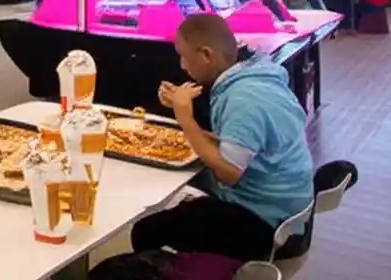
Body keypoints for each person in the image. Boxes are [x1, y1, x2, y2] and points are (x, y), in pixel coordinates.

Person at [131, 13, 313, 262]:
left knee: (145, 231)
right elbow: (237, 145)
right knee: (183, 204)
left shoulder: (243, 98)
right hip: (286, 204)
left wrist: (185, 117)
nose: (182, 65)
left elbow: (228, 172)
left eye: (184, 56)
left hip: (264, 221)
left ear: (207, 55)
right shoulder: (257, 76)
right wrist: (186, 121)